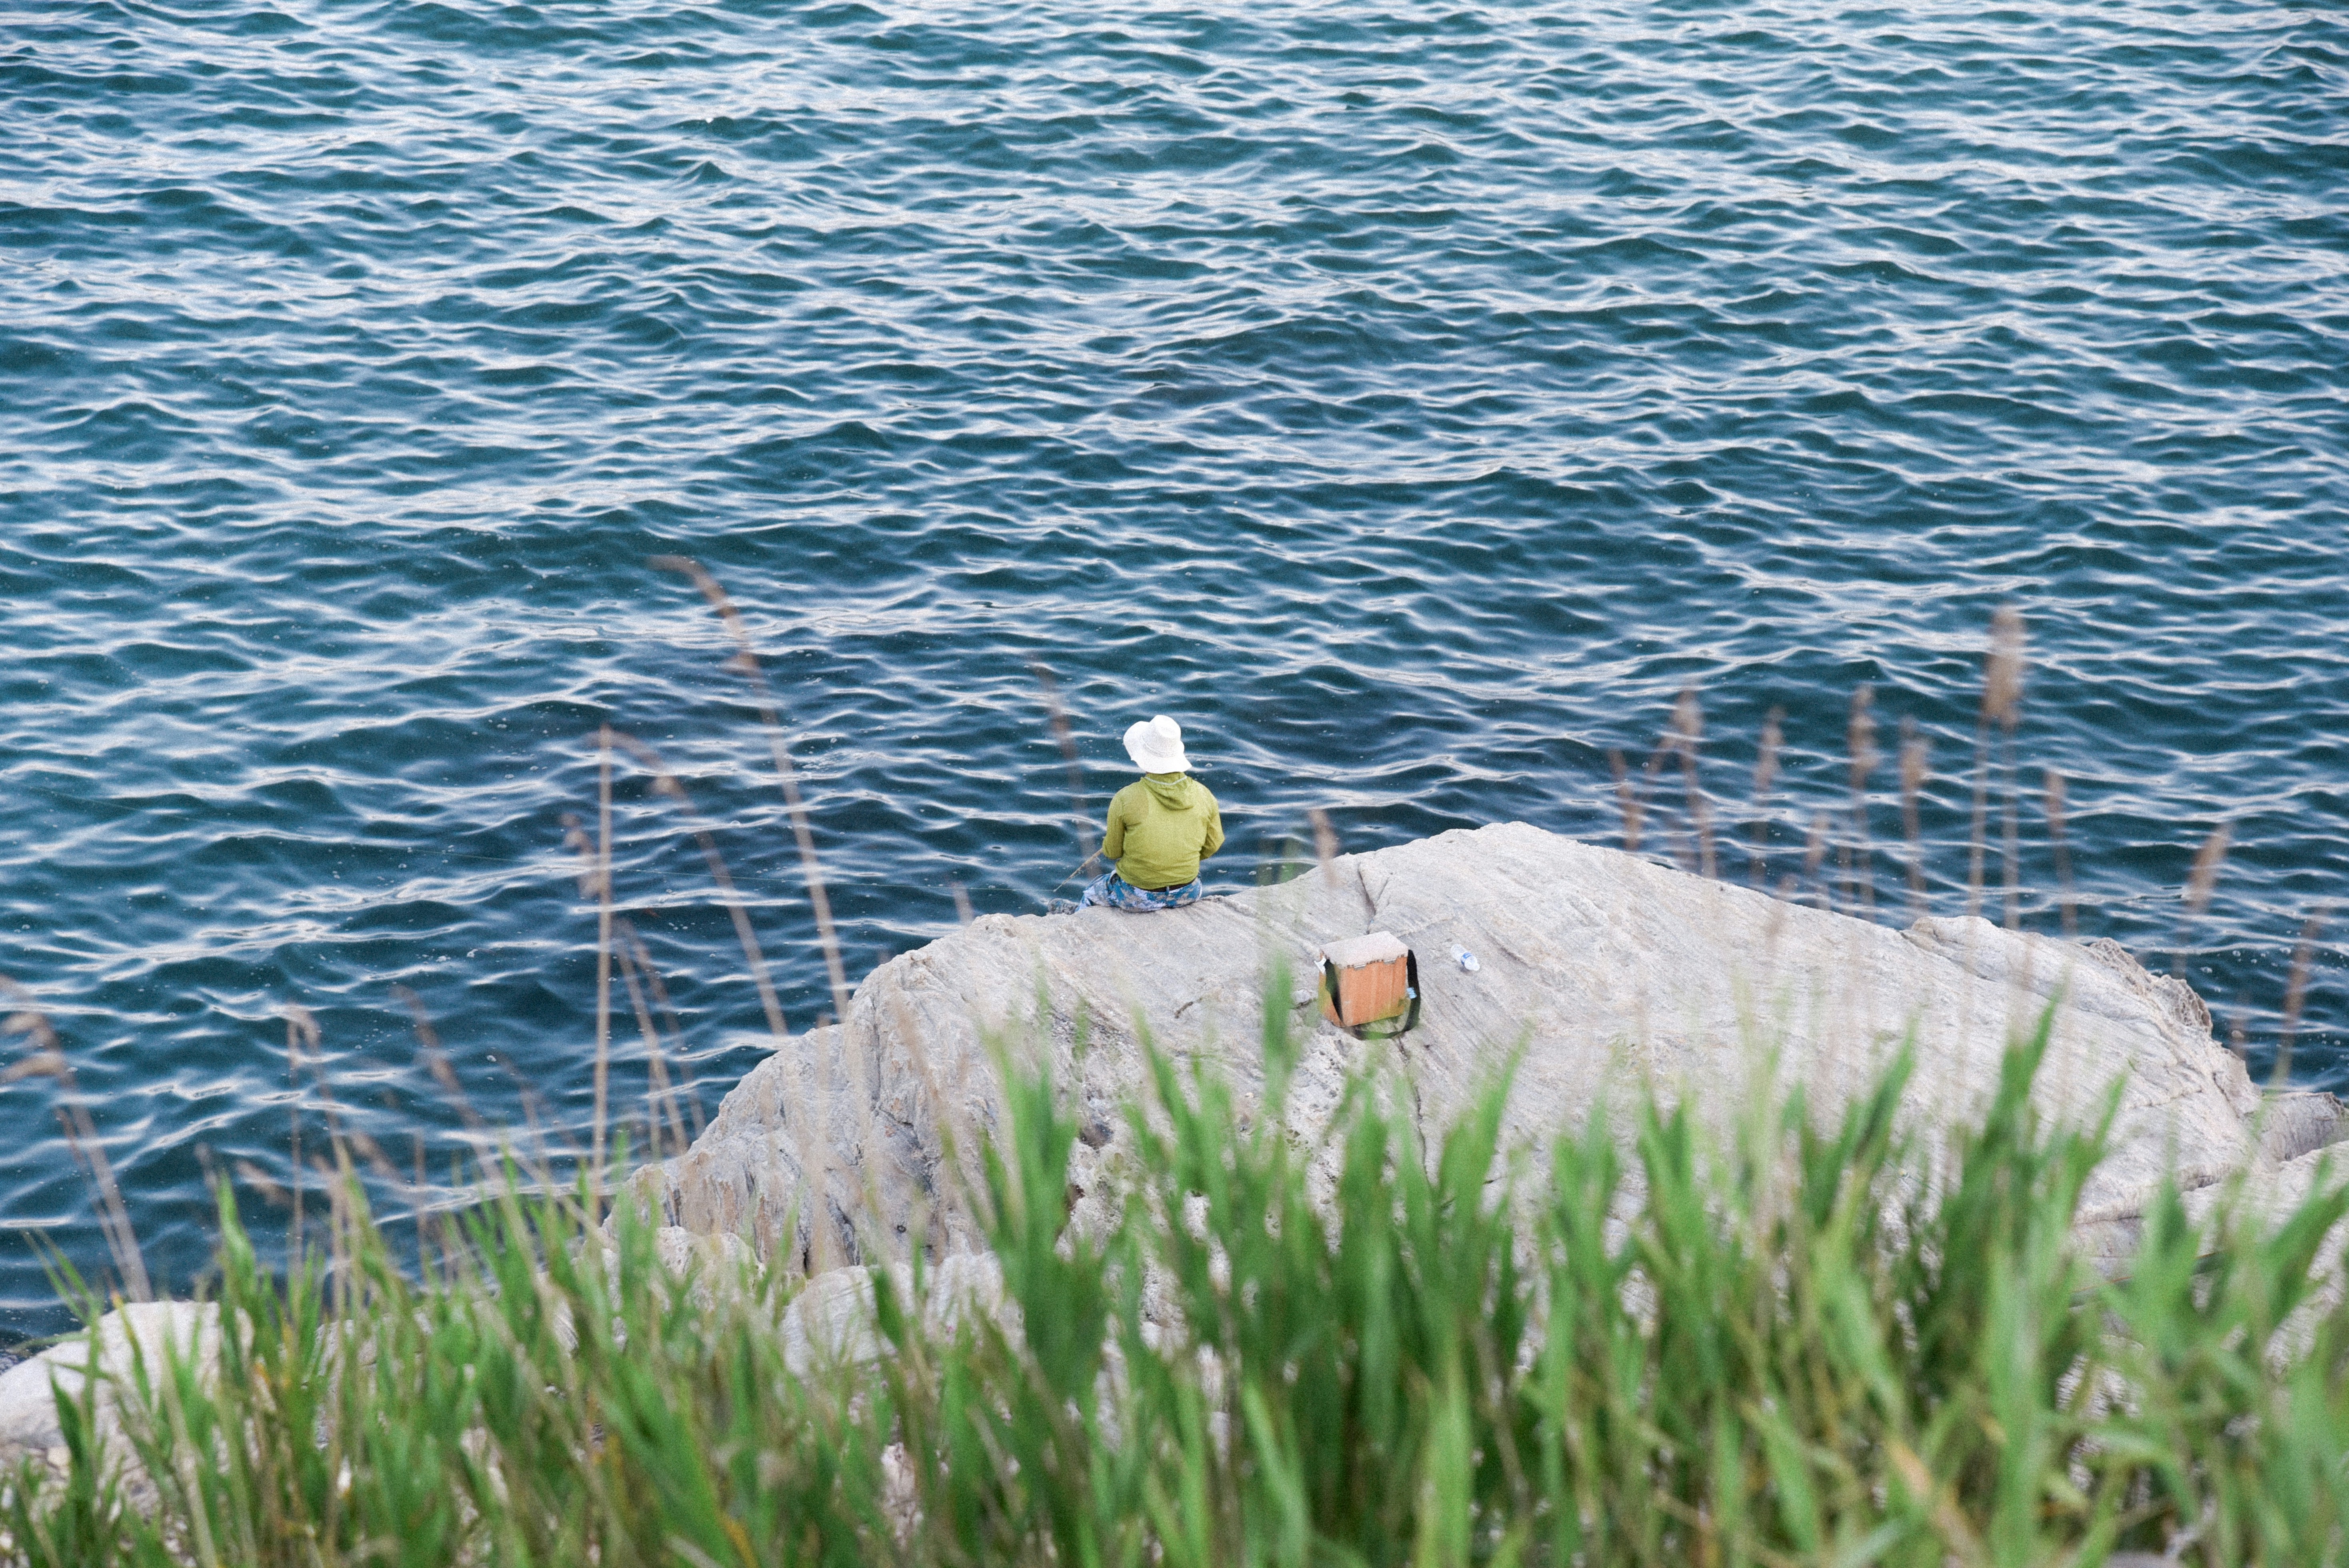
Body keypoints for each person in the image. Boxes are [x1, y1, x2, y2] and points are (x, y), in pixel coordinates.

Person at [1076, 715, 1223, 911]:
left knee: (1093, 891)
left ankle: (1077, 916)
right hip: (1188, 892)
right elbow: (1213, 845)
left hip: (1137, 896)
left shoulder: (1125, 797)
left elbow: (1112, 852)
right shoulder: (1205, 794)